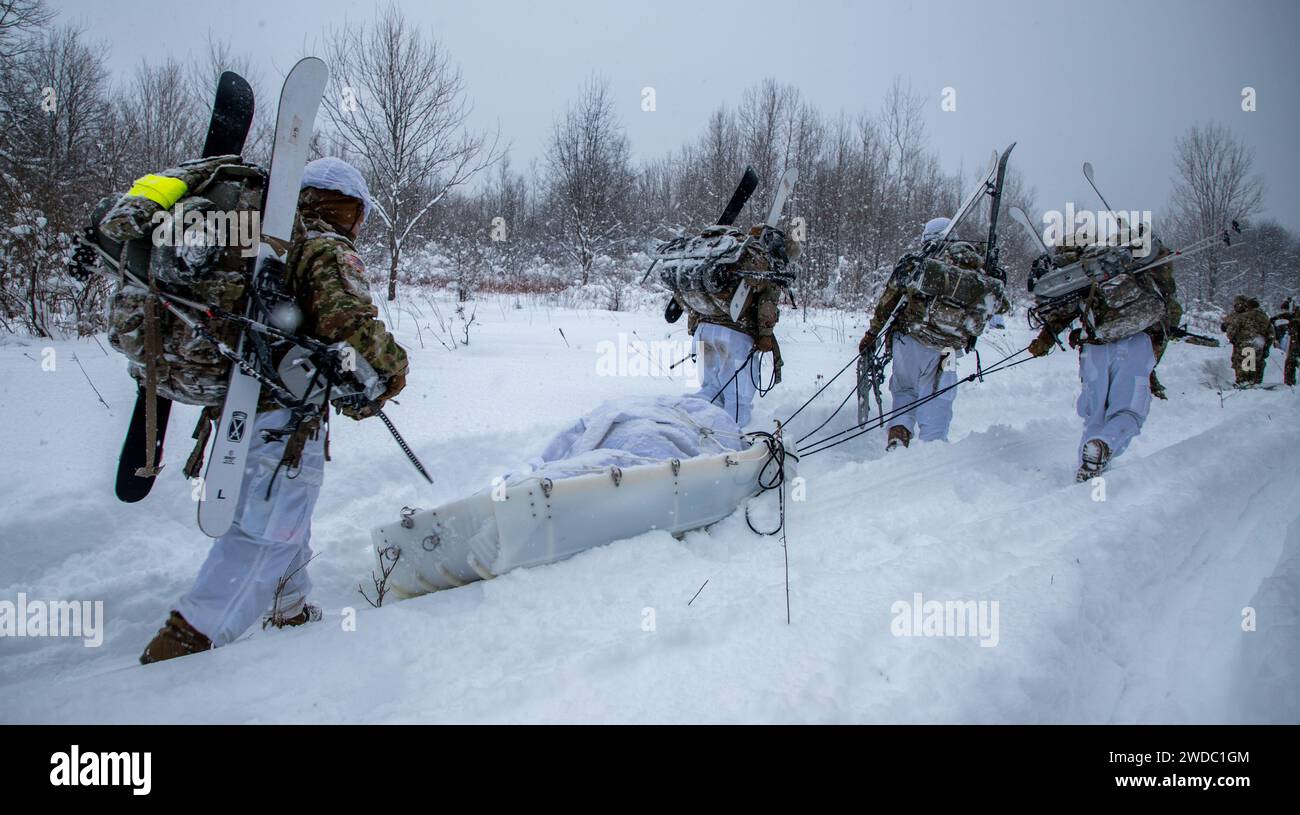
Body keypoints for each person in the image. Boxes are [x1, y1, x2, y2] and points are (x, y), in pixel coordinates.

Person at [136, 157, 409, 663]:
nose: (359, 226)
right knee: (270, 530)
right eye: (359, 214)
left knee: (275, 514)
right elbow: (350, 328)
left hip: (243, 403)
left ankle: (289, 607)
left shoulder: (266, 235)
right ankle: (187, 644)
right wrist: (394, 369)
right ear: (345, 207)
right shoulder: (323, 245)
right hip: (282, 412)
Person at [1027, 228, 1178, 481]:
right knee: (1129, 412)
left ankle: (1087, 470)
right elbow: (1166, 306)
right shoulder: (1132, 265)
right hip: (1135, 344)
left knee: (1094, 415)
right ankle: (1104, 445)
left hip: (1094, 347)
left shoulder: (1080, 271)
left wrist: (1041, 343)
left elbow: (1062, 314)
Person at [858, 217, 1010, 450]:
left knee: (904, 389)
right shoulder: (976, 268)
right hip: (948, 350)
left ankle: (899, 435)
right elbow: (1001, 306)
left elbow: (888, 300)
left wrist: (872, 334)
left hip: (909, 339)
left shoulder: (918, 262)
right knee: (940, 396)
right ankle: (934, 447)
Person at [674, 225, 798, 427]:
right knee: (737, 397)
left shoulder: (728, 256)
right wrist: (765, 334)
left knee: (710, 389)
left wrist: (695, 328)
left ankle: (693, 426)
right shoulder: (764, 261)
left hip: (705, 329)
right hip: (735, 336)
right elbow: (767, 304)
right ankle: (733, 443)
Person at [1220, 295, 1274, 387]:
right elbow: (1271, 335)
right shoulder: (1265, 317)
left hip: (1244, 346)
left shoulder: (1242, 317)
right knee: (1255, 368)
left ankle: (1243, 387)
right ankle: (1255, 386)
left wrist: (1234, 340)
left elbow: (1231, 331)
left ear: (1247, 306)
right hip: (1258, 346)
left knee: (1244, 369)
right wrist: (1266, 347)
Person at [1271, 298, 1298, 387]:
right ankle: (1289, 382)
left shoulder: (1292, 317)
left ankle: (1289, 382)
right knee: (1290, 361)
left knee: (1290, 362)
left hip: (1294, 341)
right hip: (1292, 340)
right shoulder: (1291, 316)